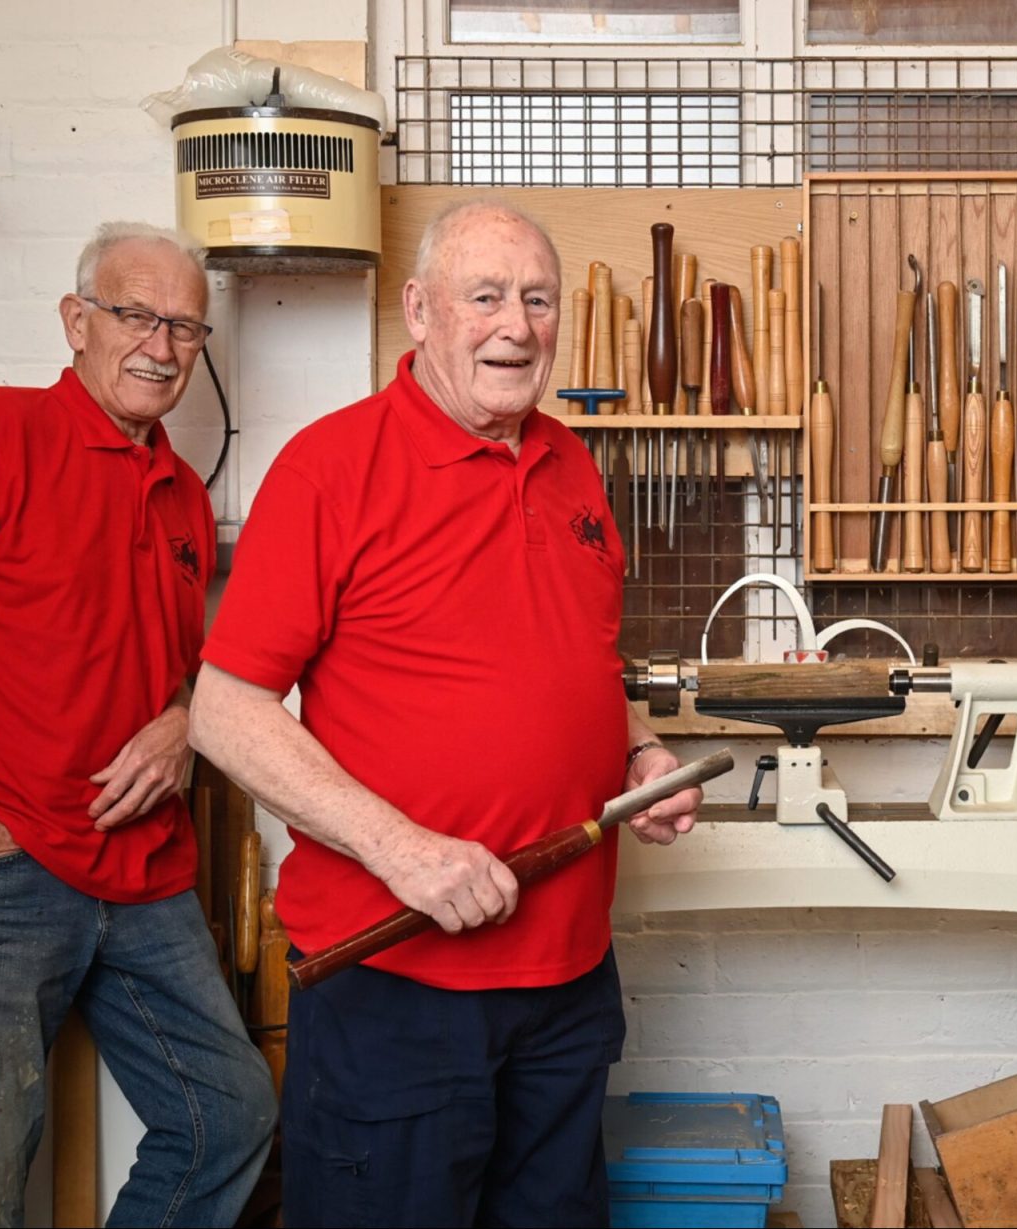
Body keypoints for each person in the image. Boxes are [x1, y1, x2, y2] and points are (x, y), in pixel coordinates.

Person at [188, 198, 702, 1228]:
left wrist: (639, 752)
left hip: (565, 976)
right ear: (418, 311)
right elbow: (223, 709)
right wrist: (403, 848)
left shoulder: (571, 466)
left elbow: (578, 663)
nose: (515, 323)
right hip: (397, 977)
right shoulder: (332, 468)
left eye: (537, 298)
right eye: (484, 296)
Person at [0, 222, 275, 1227]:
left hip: (142, 874)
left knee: (228, 1111)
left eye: (184, 327)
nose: (161, 346)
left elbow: (170, 675)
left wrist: (180, 721)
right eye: (136, 314)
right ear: (76, 320)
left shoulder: (177, 491)